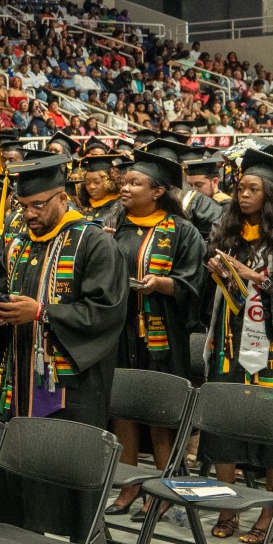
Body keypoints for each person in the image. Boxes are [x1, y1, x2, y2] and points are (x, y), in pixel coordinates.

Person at [0, 153, 126, 544]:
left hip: (72, 381)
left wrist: (42, 313)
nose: (30, 213)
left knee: (75, 474)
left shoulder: (94, 243)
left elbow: (106, 311)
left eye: (40, 204)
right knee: (14, 469)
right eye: (24, 206)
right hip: (18, 375)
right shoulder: (16, 242)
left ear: (63, 197)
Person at [199, 149, 273, 543]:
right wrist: (218, 274)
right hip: (230, 344)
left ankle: (271, 511)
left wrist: (260, 280)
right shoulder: (224, 237)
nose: (243, 195)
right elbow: (208, 298)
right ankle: (228, 506)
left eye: (254, 189)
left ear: (272, 197)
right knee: (224, 425)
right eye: (241, 188)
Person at [102, 151, 206, 517]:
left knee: (159, 411)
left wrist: (161, 283)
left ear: (159, 190)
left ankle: (164, 489)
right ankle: (129, 486)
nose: (125, 188)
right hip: (118, 330)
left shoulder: (182, 231)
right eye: (125, 181)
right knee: (121, 411)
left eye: (135, 183)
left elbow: (194, 282)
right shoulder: (111, 225)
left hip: (162, 330)